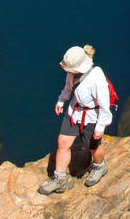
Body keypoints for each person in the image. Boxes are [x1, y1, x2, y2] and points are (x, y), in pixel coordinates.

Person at [38, 44, 112, 195]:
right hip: (75, 112)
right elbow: (68, 88)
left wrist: (101, 126)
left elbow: (105, 105)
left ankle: (99, 166)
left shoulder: (96, 77)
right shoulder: (73, 73)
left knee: (94, 145)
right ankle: (60, 180)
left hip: (91, 116)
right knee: (62, 143)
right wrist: (61, 100)